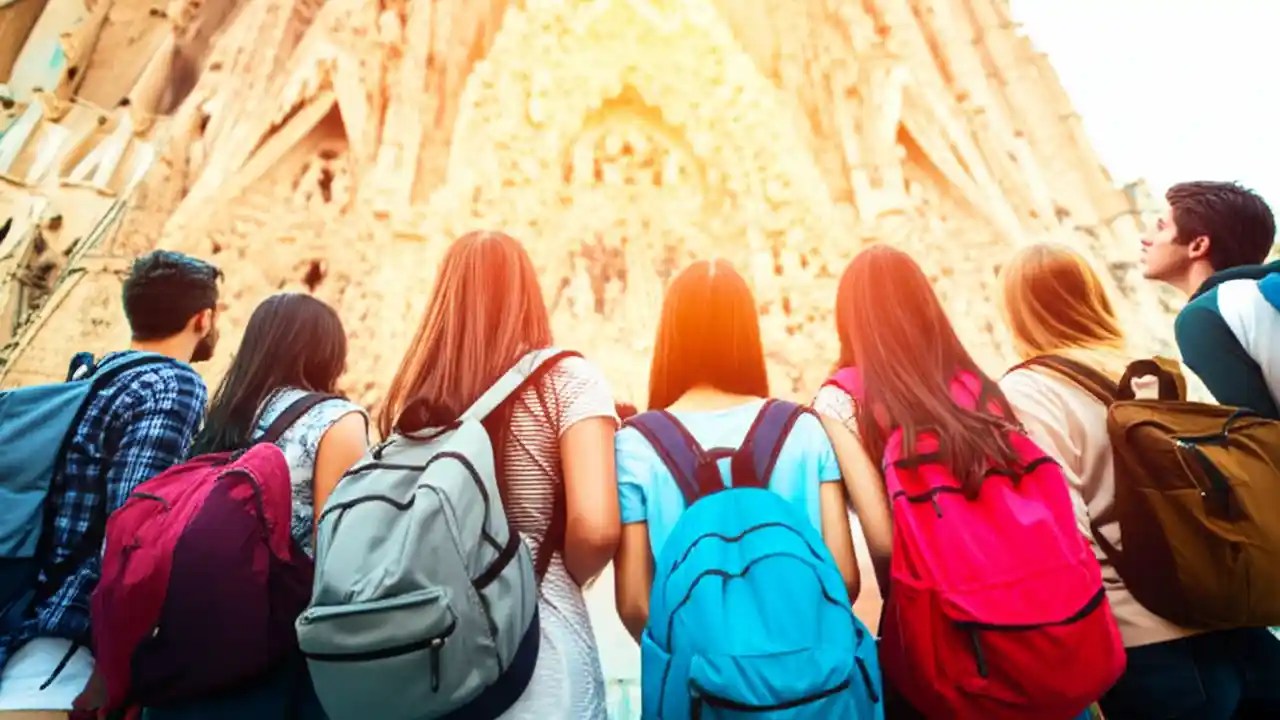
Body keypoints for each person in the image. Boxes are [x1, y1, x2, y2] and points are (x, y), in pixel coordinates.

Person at [817, 245, 1120, 720]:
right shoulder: (977, 385)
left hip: (956, 644)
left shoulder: (842, 399)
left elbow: (885, 541)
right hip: (1047, 626)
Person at [1003, 243, 1280, 719]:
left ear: (1017, 311)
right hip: (1234, 616)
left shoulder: (1027, 391)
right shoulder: (1153, 365)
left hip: (1149, 648)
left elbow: (1064, 535)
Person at [379, 230, 620, 719]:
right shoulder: (566, 381)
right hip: (541, 642)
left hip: (435, 650)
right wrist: (554, 568)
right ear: (528, 294)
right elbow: (596, 527)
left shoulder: (414, 404)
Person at [0, 250, 220, 717]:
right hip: (65, 646)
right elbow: (135, 530)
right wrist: (113, 668)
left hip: (23, 606)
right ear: (202, 318)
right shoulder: (174, 385)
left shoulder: (98, 374)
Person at [141, 292, 369, 719]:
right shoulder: (336, 420)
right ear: (328, 351)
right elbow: (338, 550)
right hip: (275, 652)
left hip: (189, 644)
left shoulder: (222, 415)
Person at [612, 258, 859, 636]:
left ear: (671, 336)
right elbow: (843, 577)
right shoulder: (804, 429)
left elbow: (634, 603)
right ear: (747, 333)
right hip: (808, 676)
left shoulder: (636, 445)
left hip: (697, 679)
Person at [1141, 180, 1279, 417]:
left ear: (1198, 245)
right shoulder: (1254, 296)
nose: (1146, 238)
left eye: (1161, 227)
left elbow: (1262, 439)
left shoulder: (1204, 317)